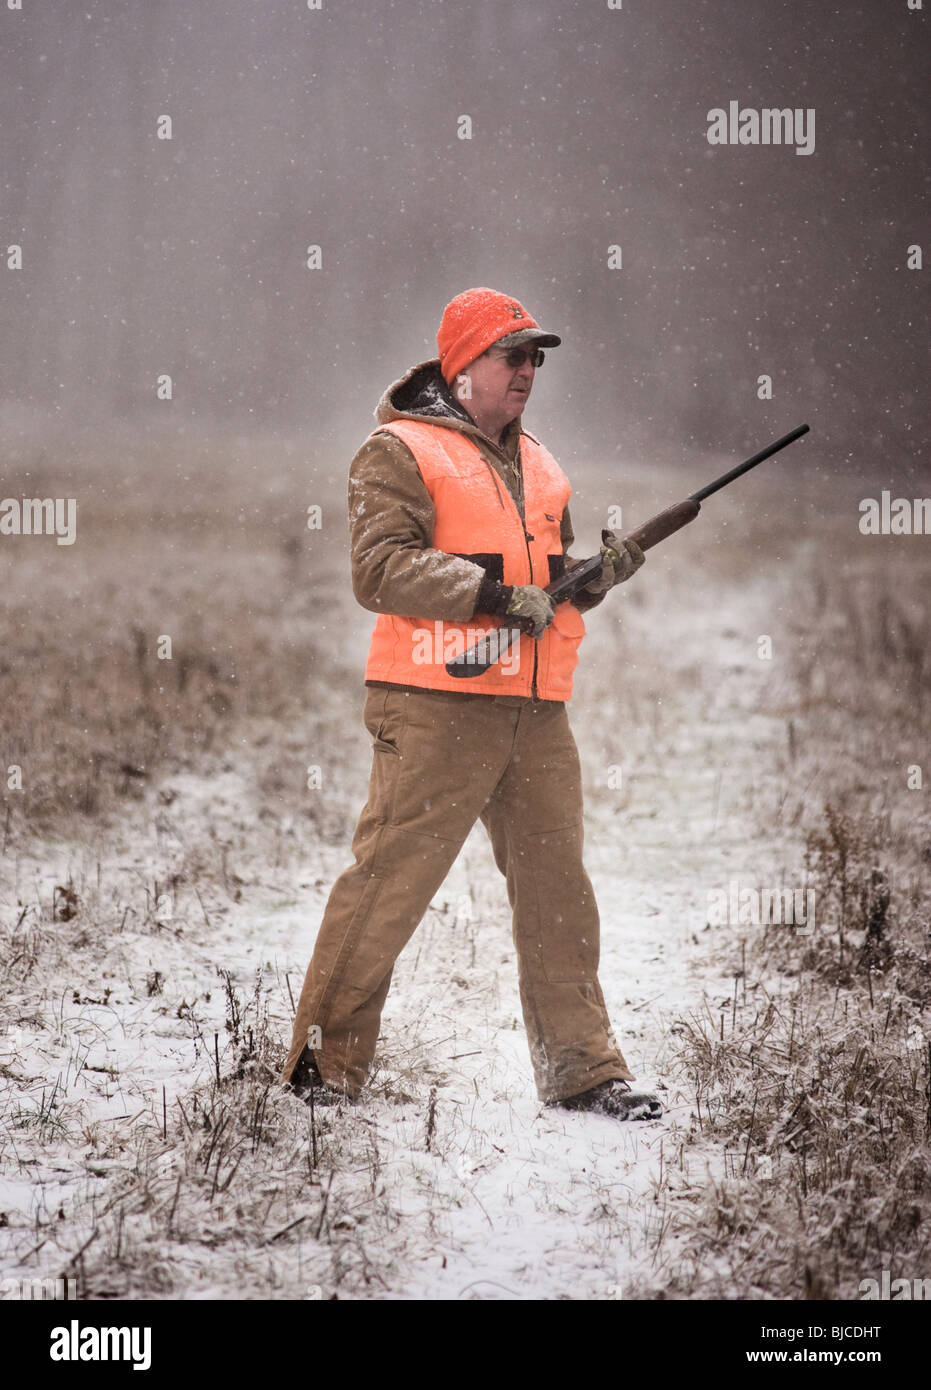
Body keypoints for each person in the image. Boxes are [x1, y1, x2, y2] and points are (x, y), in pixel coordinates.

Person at [280, 287, 662, 1121]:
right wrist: (491, 595)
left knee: (559, 894)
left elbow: (551, 583)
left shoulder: (543, 461)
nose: (528, 371)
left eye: (535, 358)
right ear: (463, 367)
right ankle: (318, 1073)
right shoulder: (399, 450)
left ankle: (584, 1072)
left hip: (535, 707)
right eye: (512, 355)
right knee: (387, 888)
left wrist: (593, 577)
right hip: (432, 703)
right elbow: (378, 569)